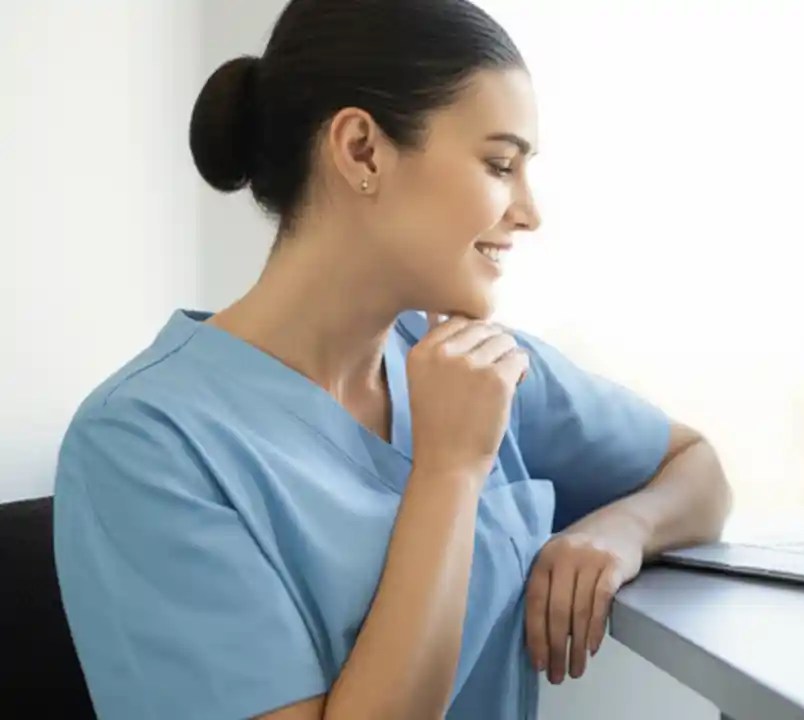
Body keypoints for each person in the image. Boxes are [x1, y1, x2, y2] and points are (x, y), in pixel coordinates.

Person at [50, 1, 732, 718]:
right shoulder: (143, 446)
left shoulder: (486, 368)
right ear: (362, 151)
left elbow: (698, 470)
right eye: (501, 164)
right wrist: (449, 471)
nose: (530, 211)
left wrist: (616, 534)